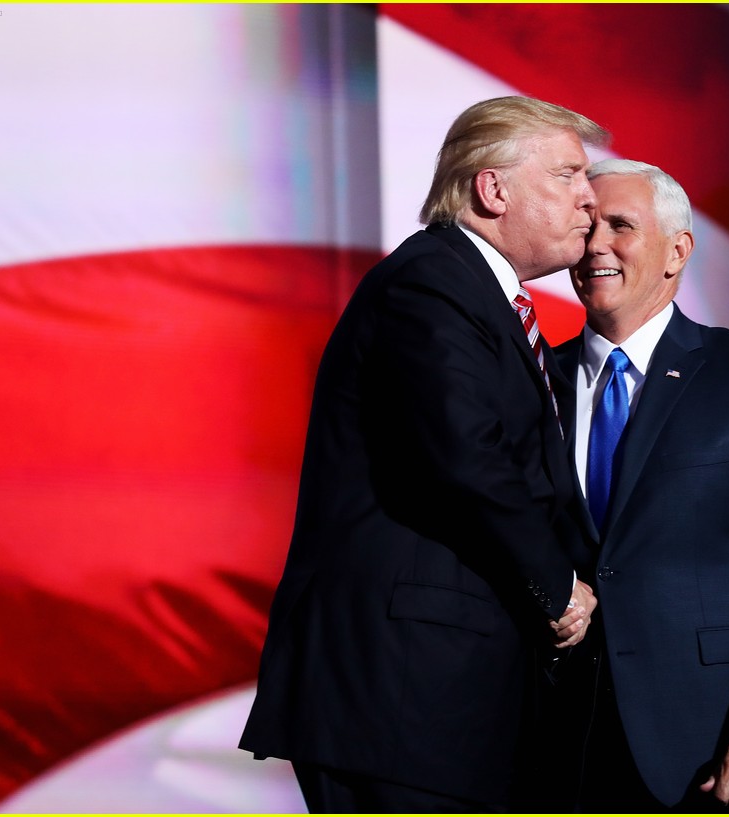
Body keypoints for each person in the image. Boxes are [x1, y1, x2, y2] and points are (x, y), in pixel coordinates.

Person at [239, 96, 607, 812]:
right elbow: (465, 456)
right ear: (493, 189)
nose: (588, 198)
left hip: (439, 704)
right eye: (568, 174)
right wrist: (559, 586)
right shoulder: (433, 281)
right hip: (403, 697)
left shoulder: (477, 294)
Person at [542, 159, 729, 813]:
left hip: (719, 754)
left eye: (620, 225)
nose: (596, 244)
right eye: (586, 224)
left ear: (678, 249)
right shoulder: (527, 380)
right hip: (559, 754)